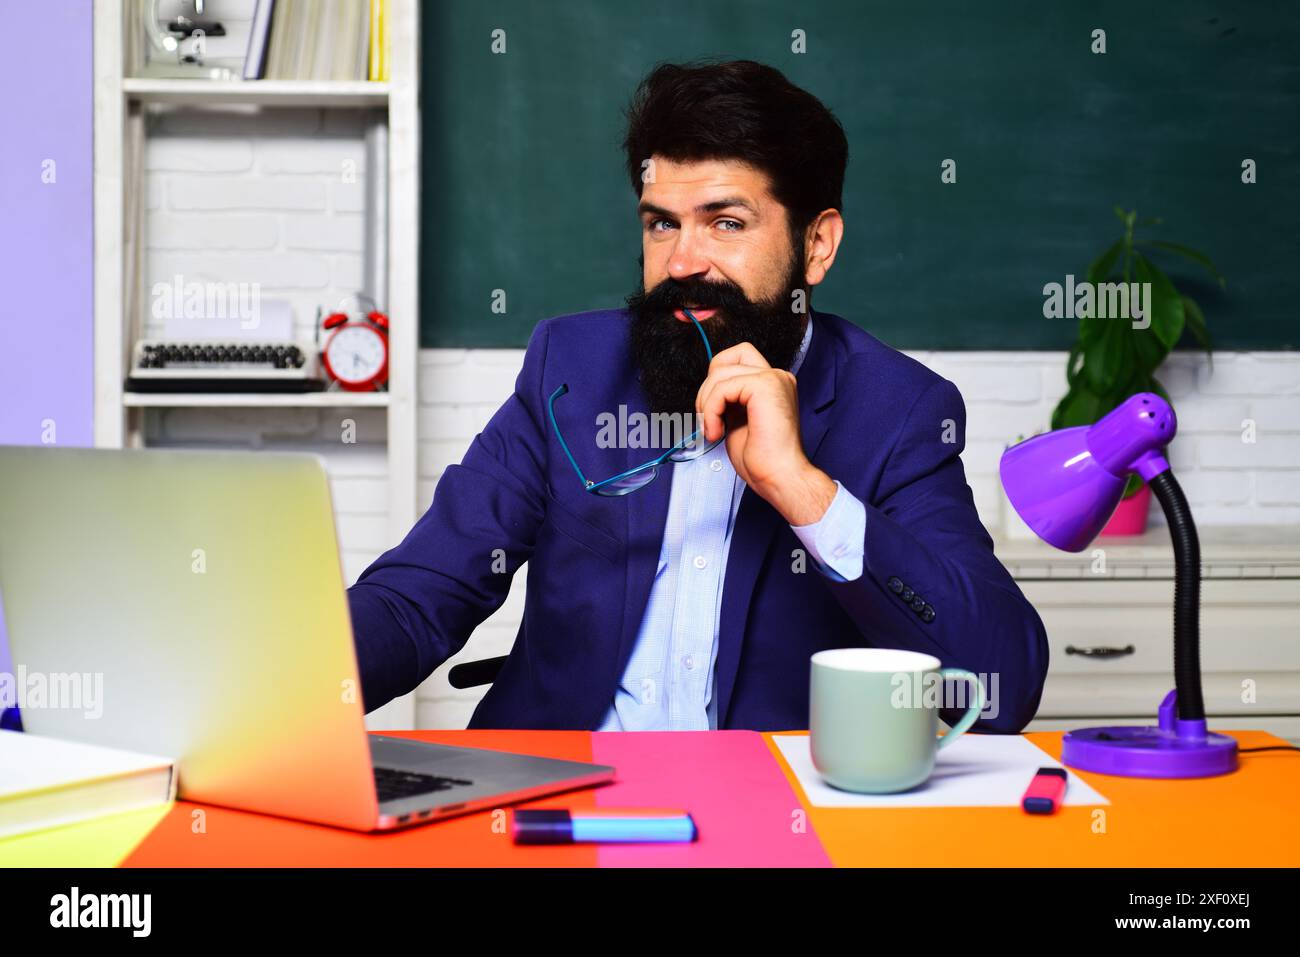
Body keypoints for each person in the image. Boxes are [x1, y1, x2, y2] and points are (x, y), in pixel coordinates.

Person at [347, 59, 1049, 732]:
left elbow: (999, 682)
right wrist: (279, 695)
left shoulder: (898, 411)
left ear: (818, 245)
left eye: (727, 222)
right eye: (662, 223)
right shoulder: (573, 370)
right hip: (557, 797)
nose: (682, 261)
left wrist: (804, 489)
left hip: (767, 819)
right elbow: (419, 595)